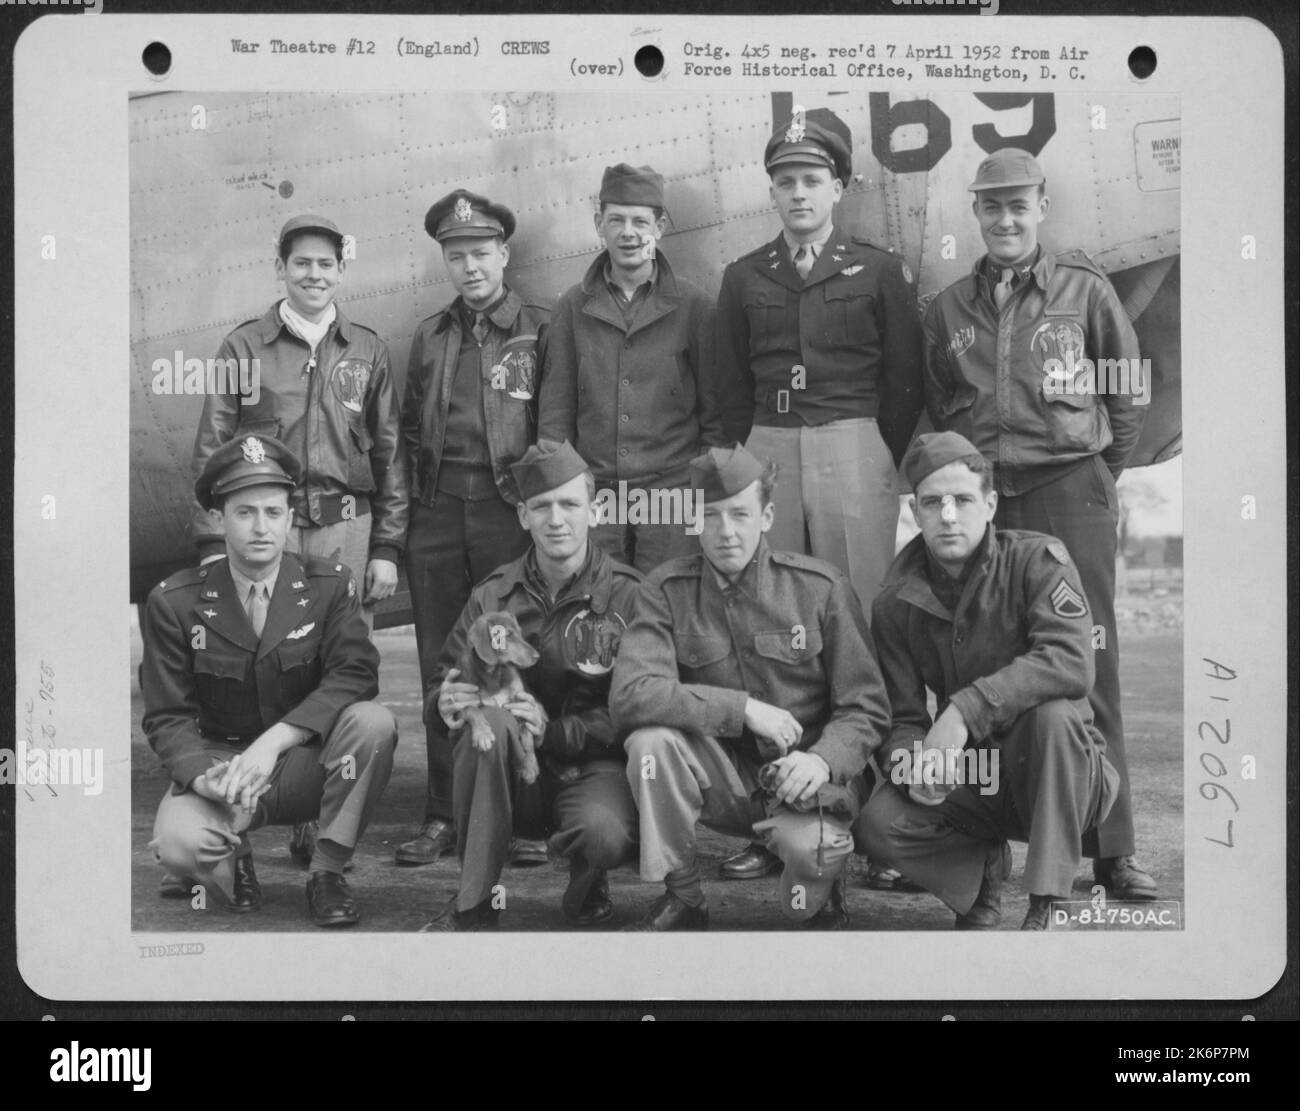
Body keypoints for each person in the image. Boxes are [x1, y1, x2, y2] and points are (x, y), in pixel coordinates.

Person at [921, 148, 1155, 900]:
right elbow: (936, 402)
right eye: (992, 206)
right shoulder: (949, 308)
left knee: (1091, 658)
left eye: (1018, 205)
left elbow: (1127, 391)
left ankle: (1111, 848)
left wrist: (1096, 475)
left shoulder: (1083, 293)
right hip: (993, 502)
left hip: (1066, 487)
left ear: (1041, 208)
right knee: (982, 661)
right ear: (977, 214)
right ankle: (981, 843)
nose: (1006, 218)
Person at [712, 117, 924, 883]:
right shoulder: (744, 276)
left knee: (858, 626)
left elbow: (906, 382)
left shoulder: (878, 271)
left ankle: (869, 810)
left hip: (853, 443)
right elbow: (728, 384)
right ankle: (772, 817)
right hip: (767, 449)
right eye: (784, 181)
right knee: (765, 619)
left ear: (837, 187)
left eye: (811, 180)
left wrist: (870, 453)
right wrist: (750, 461)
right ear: (771, 190)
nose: (797, 192)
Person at [189, 213, 406, 868]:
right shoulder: (243, 347)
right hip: (268, 531)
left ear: (342, 271)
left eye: (326, 264)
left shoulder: (365, 349)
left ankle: (321, 822)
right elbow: (212, 445)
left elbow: (393, 453)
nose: (315, 274)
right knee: (261, 667)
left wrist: (389, 546)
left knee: (341, 669)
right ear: (280, 268)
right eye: (302, 263)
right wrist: (210, 545)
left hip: (345, 528)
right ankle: (241, 821)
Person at [610, 445, 890, 930]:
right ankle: (684, 896)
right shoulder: (666, 590)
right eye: (710, 516)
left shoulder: (819, 588)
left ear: (767, 515)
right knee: (650, 743)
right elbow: (633, 692)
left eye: (740, 514)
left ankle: (824, 885)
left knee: (812, 864)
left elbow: (867, 708)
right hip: (726, 777)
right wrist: (742, 709)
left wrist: (822, 759)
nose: (726, 531)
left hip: (807, 780)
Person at [855, 432, 1121, 930]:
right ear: (915, 509)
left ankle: (1048, 900)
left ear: (991, 503)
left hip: (1060, 771)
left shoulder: (1037, 560)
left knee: (1053, 716)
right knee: (879, 824)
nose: (948, 515)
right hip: (972, 775)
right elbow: (903, 717)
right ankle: (980, 880)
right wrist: (912, 765)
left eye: (963, 500)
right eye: (933, 503)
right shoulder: (893, 602)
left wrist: (962, 711)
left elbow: (1070, 661)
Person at [144, 435, 397, 927]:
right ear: (218, 520)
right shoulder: (174, 603)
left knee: (373, 724)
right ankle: (234, 858)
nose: (262, 528)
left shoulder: (329, 586)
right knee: (179, 848)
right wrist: (201, 777)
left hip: (301, 762)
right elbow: (167, 715)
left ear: (290, 517)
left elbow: (357, 672)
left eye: (273, 512)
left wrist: (274, 743)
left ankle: (327, 871)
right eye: (244, 513)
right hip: (223, 771)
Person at [421, 440, 641, 930]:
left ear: (595, 509)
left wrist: (554, 732)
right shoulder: (493, 595)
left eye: (569, 504)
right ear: (523, 515)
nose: (556, 519)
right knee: (489, 725)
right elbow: (440, 687)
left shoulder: (629, 595)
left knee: (603, 832)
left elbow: (639, 708)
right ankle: (475, 899)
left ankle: (589, 880)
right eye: (542, 506)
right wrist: (445, 704)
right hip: (508, 770)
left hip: (590, 766)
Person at [398, 190, 550, 868]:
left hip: (503, 511)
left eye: (480, 254)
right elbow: (407, 432)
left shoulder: (539, 330)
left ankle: (522, 810)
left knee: (509, 652)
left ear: (504, 255)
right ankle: (442, 811)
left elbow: (552, 429)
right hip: (436, 514)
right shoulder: (430, 336)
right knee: (442, 659)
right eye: (456, 256)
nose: (469, 267)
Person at [538, 162, 724, 572]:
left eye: (641, 221)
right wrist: (565, 491)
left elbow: (715, 416)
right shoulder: (571, 307)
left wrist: (703, 492)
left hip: (672, 497)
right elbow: (555, 412)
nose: (628, 232)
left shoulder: (695, 307)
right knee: (599, 614)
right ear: (598, 225)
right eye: (616, 220)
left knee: (670, 609)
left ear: (660, 227)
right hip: (596, 497)